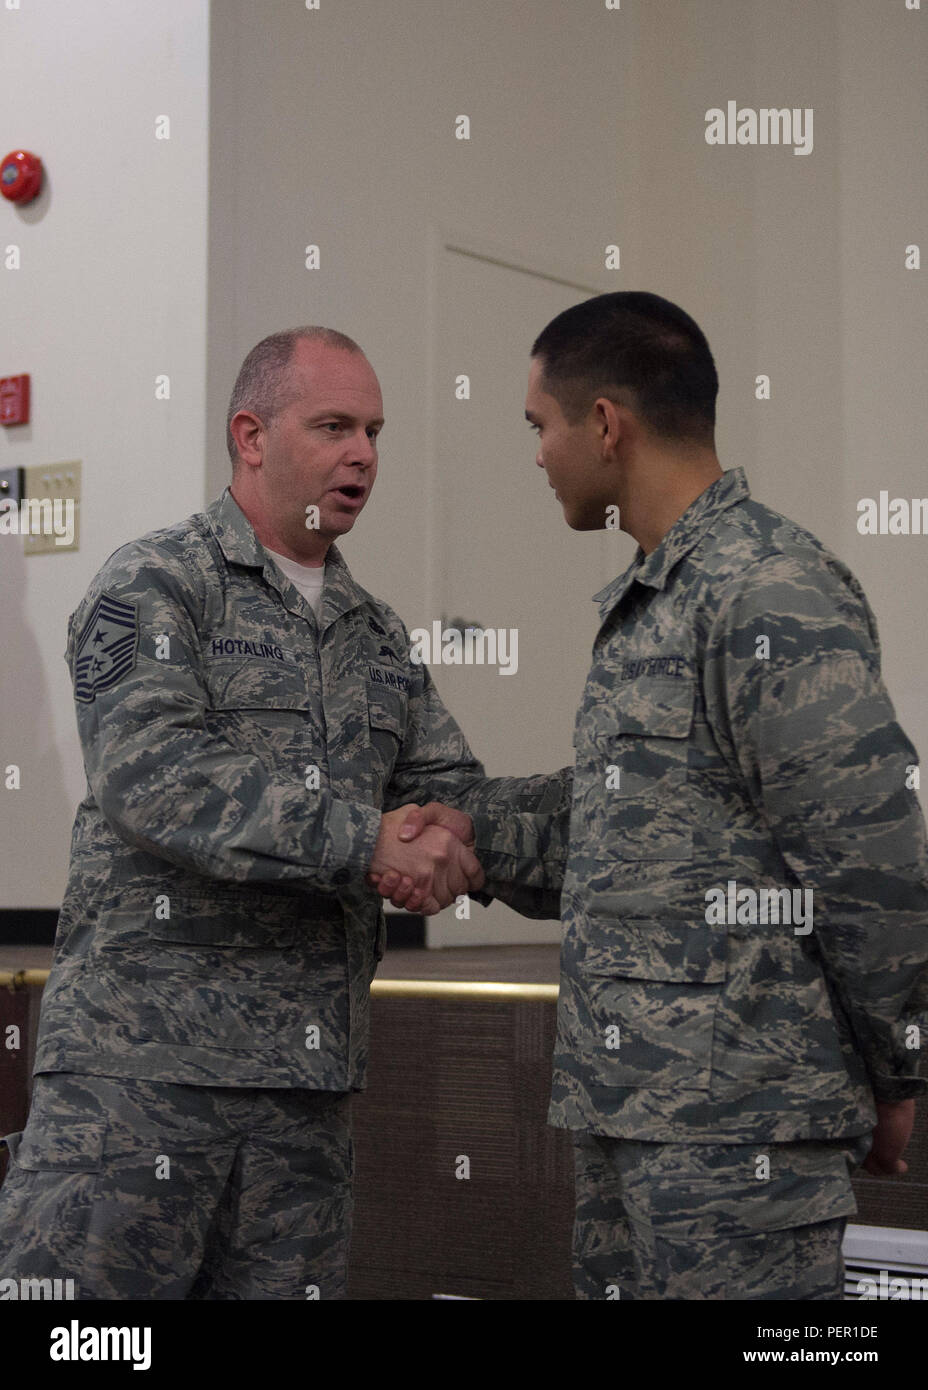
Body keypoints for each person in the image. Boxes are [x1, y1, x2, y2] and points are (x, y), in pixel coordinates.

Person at [0, 327, 569, 1300]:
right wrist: (371, 838)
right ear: (251, 435)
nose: (363, 455)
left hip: (304, 1104)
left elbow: (449, 798)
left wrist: (608, 817)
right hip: (141, 1088)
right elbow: (159, 781)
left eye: (375, 432)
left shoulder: (376, 633)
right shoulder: (157, 586)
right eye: (335, 425)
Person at [380, 291, 928, 1300]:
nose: (536, 454)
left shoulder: (768, 589)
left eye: (539, 426)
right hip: (629, 1111)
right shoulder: (656, 593)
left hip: (741, 1133)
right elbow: (627, 828)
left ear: (604, 425)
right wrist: (470, 830)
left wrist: (901, 1067)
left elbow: (869, 852)